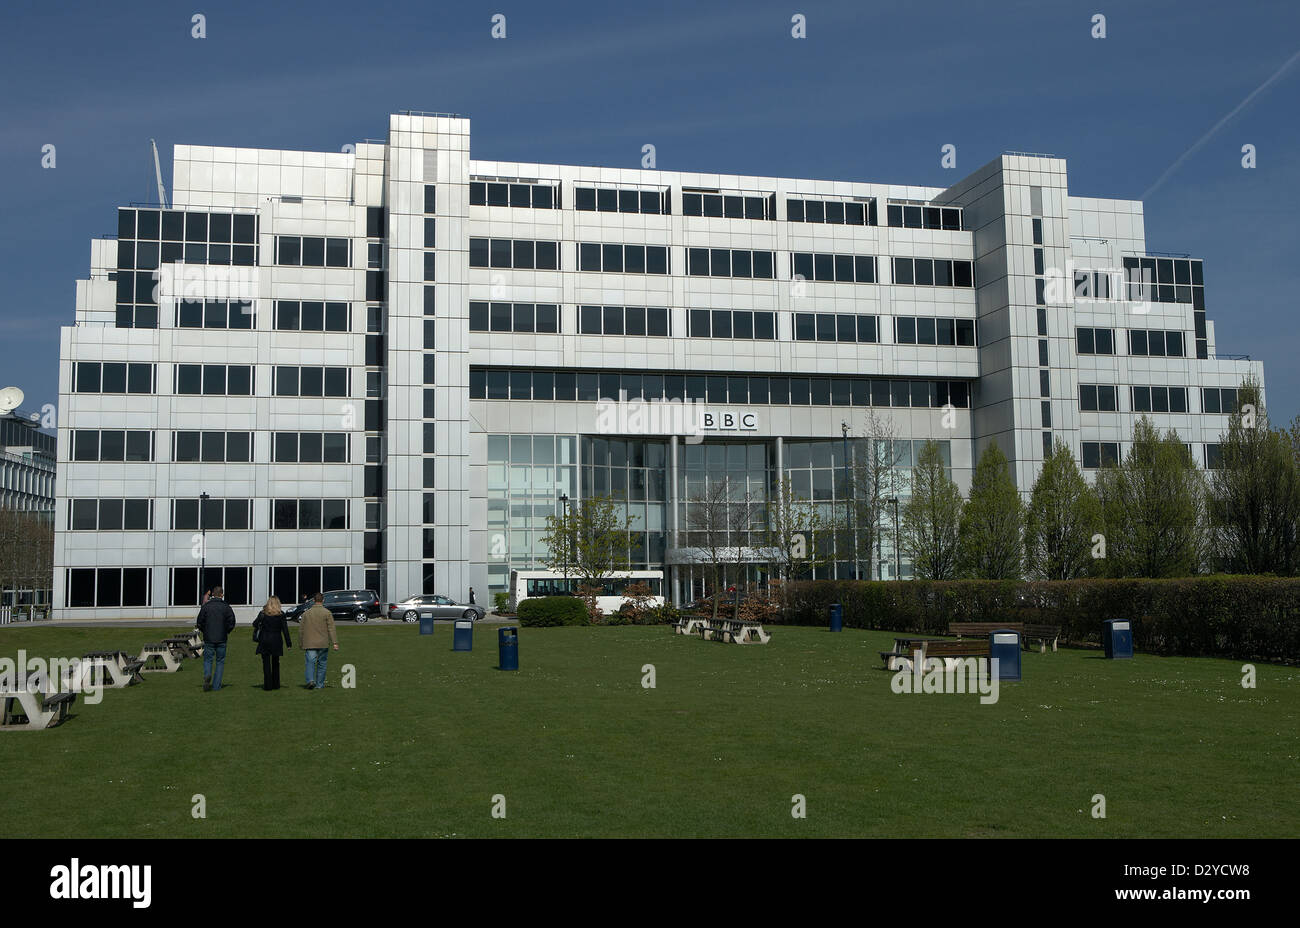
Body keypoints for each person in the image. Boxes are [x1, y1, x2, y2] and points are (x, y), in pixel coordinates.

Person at [195, 586, 237, 692]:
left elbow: (199, 622)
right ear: (222, 594)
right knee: (220, 661)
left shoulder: (206, 607)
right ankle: (216, 686)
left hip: (209, 637)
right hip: (222, 637)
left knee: (208, 659)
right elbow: (232, 622)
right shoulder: (226, 607)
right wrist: (226, 631)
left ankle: (207, 674)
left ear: (213, 594)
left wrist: (205, 630)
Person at [252, 596, 292, 691]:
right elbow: (285, 630)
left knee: (266, 663)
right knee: (275, 662)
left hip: (265, 639)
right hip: (276, 640)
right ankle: (276, 684)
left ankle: (267, 685)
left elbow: (254, 624)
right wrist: (288, 643)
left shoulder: (263, 614)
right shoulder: (281, 615)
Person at [299, 592, 338, 689]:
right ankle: (320, 684)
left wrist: (300, 642)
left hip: (309, 642)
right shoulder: (327, 613)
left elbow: (301, 630)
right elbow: (331, 628)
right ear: (323, 600)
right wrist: (335, 642)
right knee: (322, 664)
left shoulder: (306, 613)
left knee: (310, 662)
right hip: (323, 642)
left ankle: (310, 680)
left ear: (314, 601)